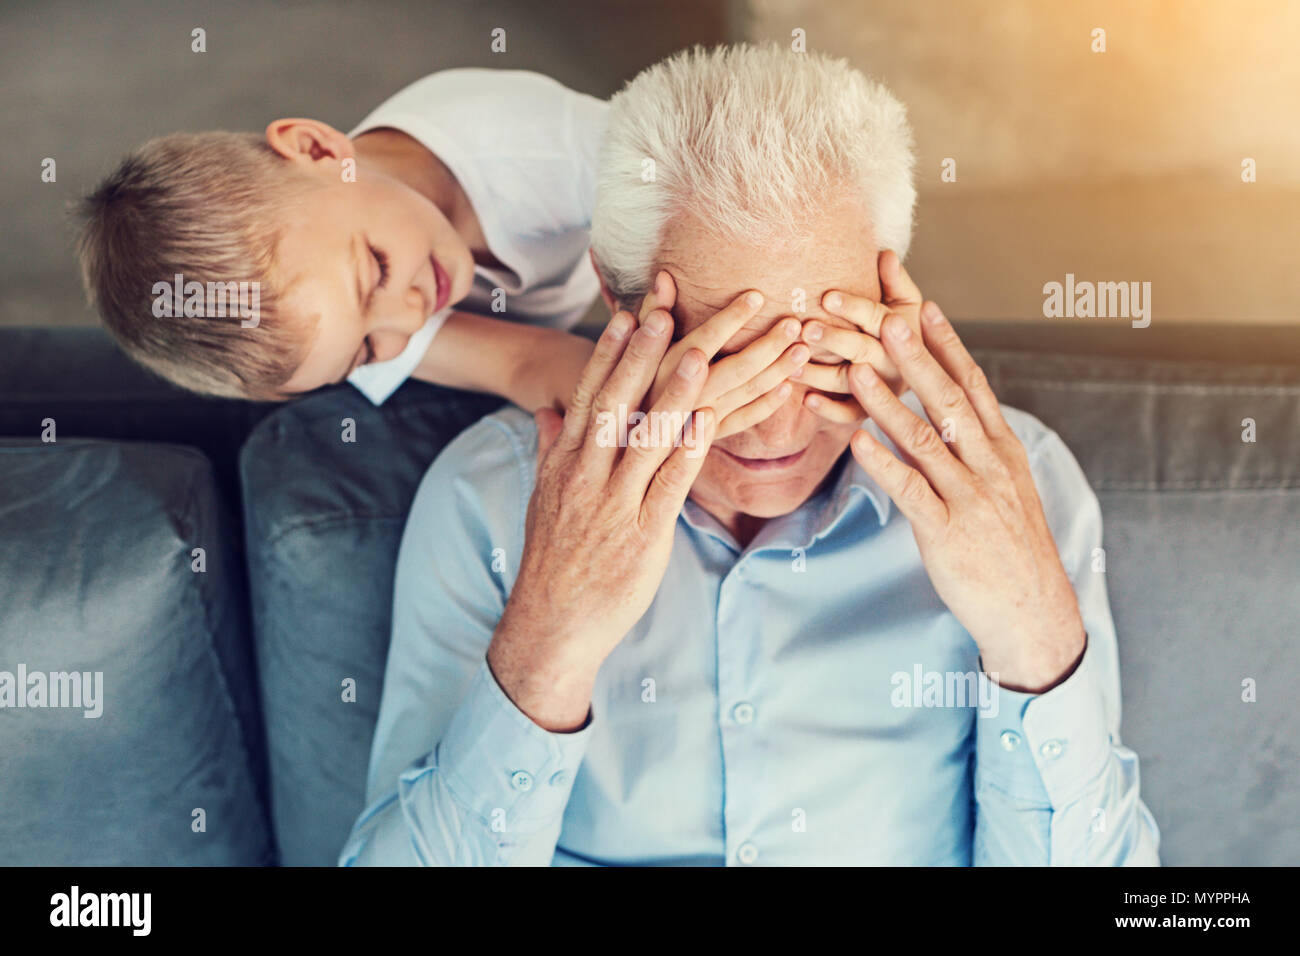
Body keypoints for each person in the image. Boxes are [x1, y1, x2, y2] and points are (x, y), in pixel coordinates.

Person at [341, 43, 1160, 866]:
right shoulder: (489, 502)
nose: (773, 435)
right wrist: (549, 641)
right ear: (614, 296)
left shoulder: (1019, 483)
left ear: (890, 297)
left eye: (817, 355)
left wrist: (1037, 643)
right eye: (722, 366)